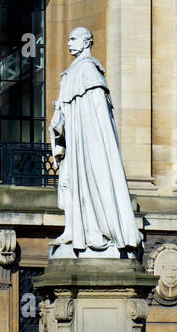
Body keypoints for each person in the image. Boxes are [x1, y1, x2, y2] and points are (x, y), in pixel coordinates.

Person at [48, 26, 141, 258]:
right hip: (75, 144)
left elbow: (98, 119)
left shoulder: (88, 71)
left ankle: (97, 231)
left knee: (89, 184)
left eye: (73, 39)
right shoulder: (73, 72)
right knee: (68, 183)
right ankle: (72, 230)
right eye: (68, 39)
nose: (69, 43)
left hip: (88, 145)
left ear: (86, 42)